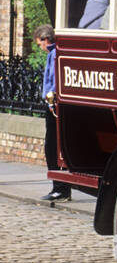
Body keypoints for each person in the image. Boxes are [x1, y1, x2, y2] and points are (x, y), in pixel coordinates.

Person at [34, 25, 69, 201]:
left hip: (53, 105)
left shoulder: (54, 54)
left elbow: (53, 80)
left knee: (53, 147)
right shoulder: (53, 53)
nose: (40, 47)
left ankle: (60, 188)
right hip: (53, 103)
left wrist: (51, 100)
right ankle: (60, 187)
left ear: (45, 39)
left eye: (39, 43)